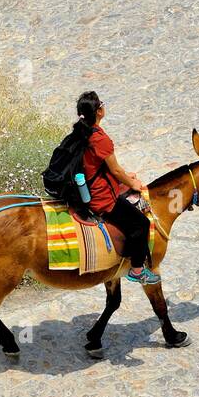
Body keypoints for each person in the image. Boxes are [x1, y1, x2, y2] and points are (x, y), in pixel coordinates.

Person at [76, 91, 159, 285]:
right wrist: (132, 183)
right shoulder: (100, 139)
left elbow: (100, 167)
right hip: (102, 198)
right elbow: (115, 169)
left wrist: (123, 178)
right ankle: (137, 270)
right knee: (141, 224)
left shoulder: (82, 132)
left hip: (92, 185)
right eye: (101, 104)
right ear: (99, 112)